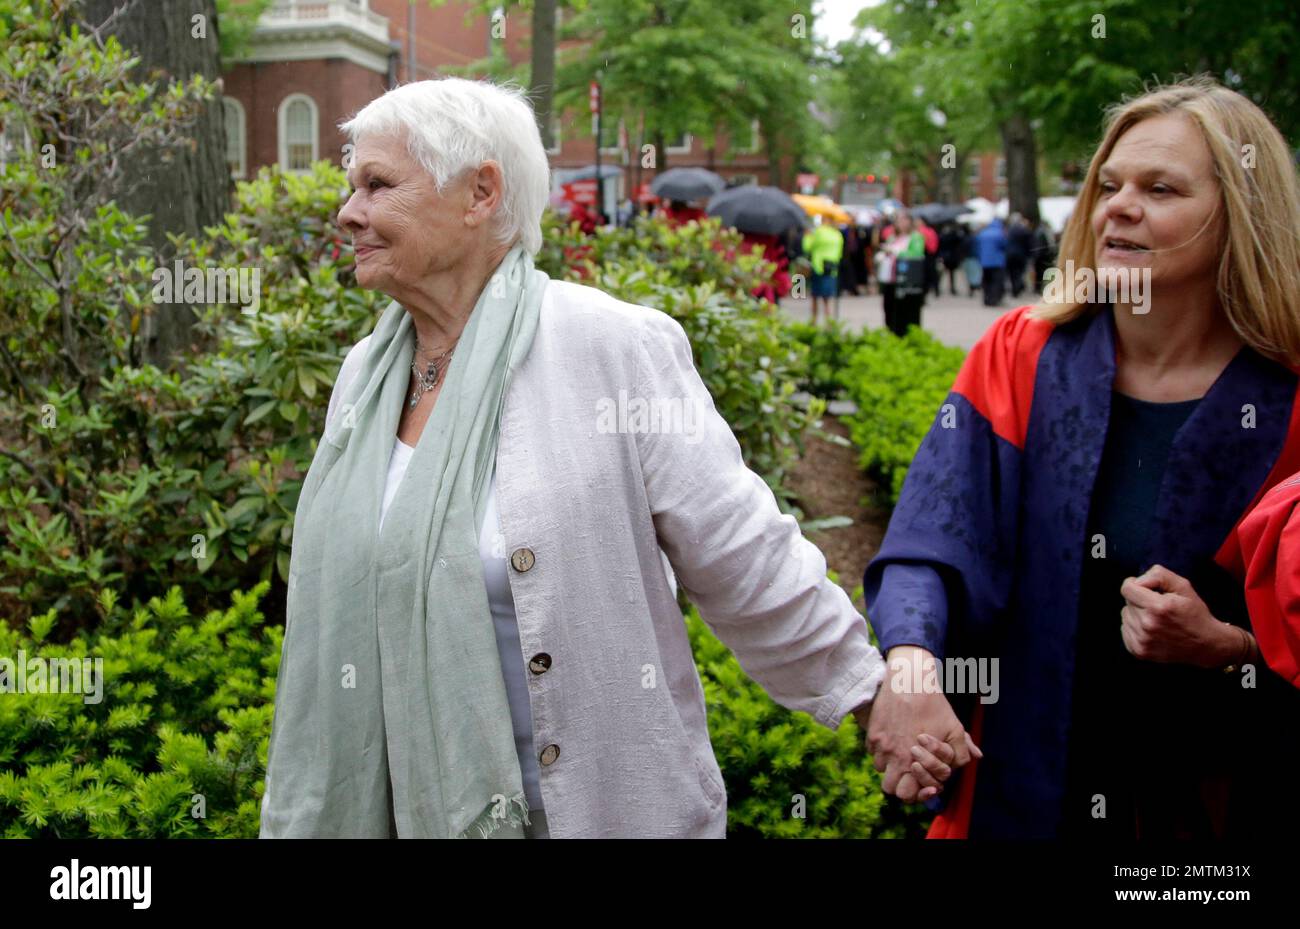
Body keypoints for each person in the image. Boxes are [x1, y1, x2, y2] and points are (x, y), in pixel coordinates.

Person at [258, 77, 958, 839]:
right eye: (351, 185)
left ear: (480, 192)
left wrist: (875, 690)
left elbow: (740, 551)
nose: (348, 210)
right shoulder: (368, 370)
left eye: (376, 184)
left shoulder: (608, 348)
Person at [863, 76, 1300, 838]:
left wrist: (1229, 649)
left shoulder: (1289, 401)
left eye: (1160, 189)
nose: (1117, 206)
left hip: (1218, 803)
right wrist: (911, 665)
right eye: (1108, 184)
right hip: (1025, 789)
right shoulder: (1022, 355)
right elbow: (930, 544)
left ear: (1242, 216)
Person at [875, 209, 927, 337]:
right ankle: (890, 330)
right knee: (888, 307)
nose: (902, 223)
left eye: (904, 220)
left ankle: (903, 334)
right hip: (890, 278)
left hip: (906, 280)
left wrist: (897, 252)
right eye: (899, 220)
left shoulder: (915, 237)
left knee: (904, 310)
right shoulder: (892, 237)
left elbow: (917, 255)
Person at [802, 214, 844, 324]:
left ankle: (813, 322)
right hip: (832, 269)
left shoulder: (818, 232)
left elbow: (807, 247)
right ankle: (829, 323)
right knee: (827, 299)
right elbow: (839, 254)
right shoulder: (838, 234)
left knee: (815, 296)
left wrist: (807, 236)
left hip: (818, 267)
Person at [973, 217, 1007, 306]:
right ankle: (994, 299)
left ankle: (986, 299)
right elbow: (1004, 245)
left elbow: (977, 247)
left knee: (986, 281)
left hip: (985, 262)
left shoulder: (983, 233)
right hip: (997, 262)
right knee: (996, 281)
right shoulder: (999, 233)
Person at [1005, 213, 1033, 299]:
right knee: (1019, 272)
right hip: (1021, 255)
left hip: (1010, 255)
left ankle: (1015, 288)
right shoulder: (1024, 230)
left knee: (1012, 273)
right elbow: (1029, 243)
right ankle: (1017, 287)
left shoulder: (1008, 230)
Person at [939, 223, 966, 296]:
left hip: (947, 256)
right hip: (951, 257)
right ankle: (952, 288)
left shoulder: (943, 236)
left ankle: (938, 288)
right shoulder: (954, 235)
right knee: (950, 274)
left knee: (943, 273)